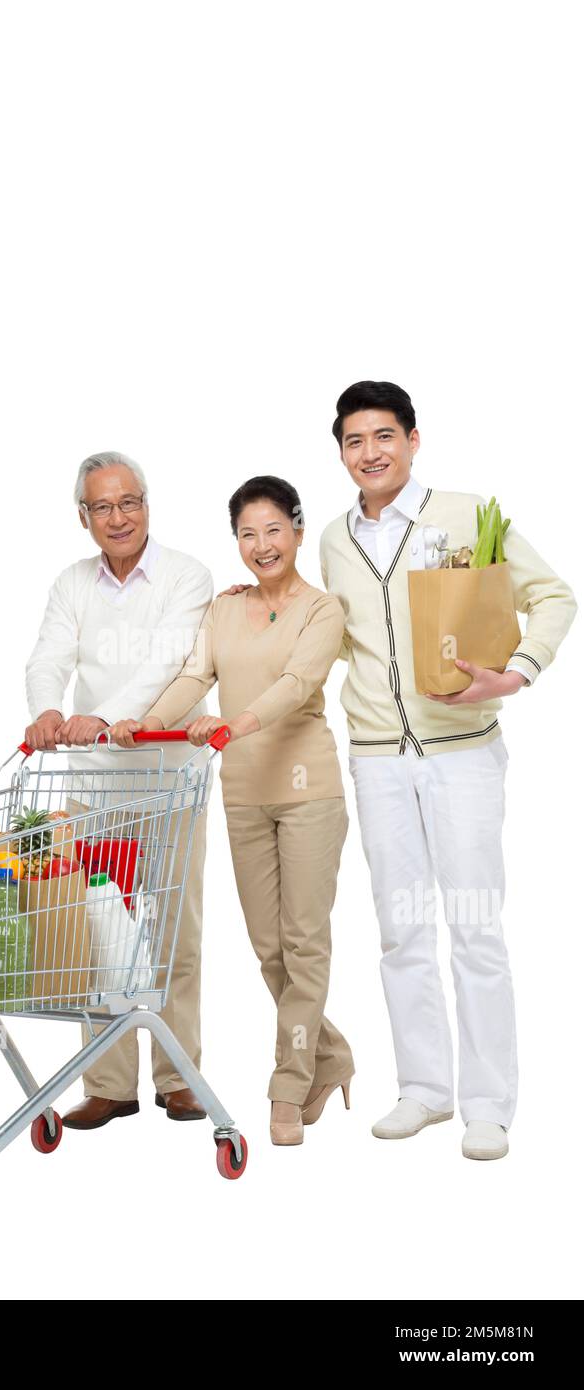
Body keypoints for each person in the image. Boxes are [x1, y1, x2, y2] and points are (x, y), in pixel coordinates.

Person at [318, 380, 577, 1160]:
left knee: (474, 927)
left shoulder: (466, 514)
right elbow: (331, 634)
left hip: (463, 755)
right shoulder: (333, 539)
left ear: (413, 439)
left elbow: (554, 595)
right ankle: (424, 1090)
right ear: (341, 452)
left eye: (384, 436)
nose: (371, 452)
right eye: (355, 441)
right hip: (377, 760)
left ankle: (489, 1105)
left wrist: (517, 672)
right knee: (401, 930)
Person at [111, 476, 354, 1147]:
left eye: (274, 529)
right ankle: (331, 1056)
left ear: (297, 531)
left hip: (308, 791)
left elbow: (298, 683)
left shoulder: (322, 609)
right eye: (248, 534)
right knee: (270, 948)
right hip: (243, 792)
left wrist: (234, 724)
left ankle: (288, 1083)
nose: (262, 545)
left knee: (304, 943)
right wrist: (149, 718)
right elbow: (196, 674)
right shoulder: (224, 610)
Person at [25, 451, 214, 1128]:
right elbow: (48, 654)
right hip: (93, 787)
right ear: (84, 517)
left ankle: (181, 1077)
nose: (118, 517)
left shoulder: (187, 576)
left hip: (167, 782)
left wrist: (105, 718)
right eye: (102, 506)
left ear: (148, 505)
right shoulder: (72, 583)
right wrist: (49, 708)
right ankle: (108, 1084)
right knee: (96, 934)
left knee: (172, 933)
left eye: (128, 502)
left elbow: (168, 660)